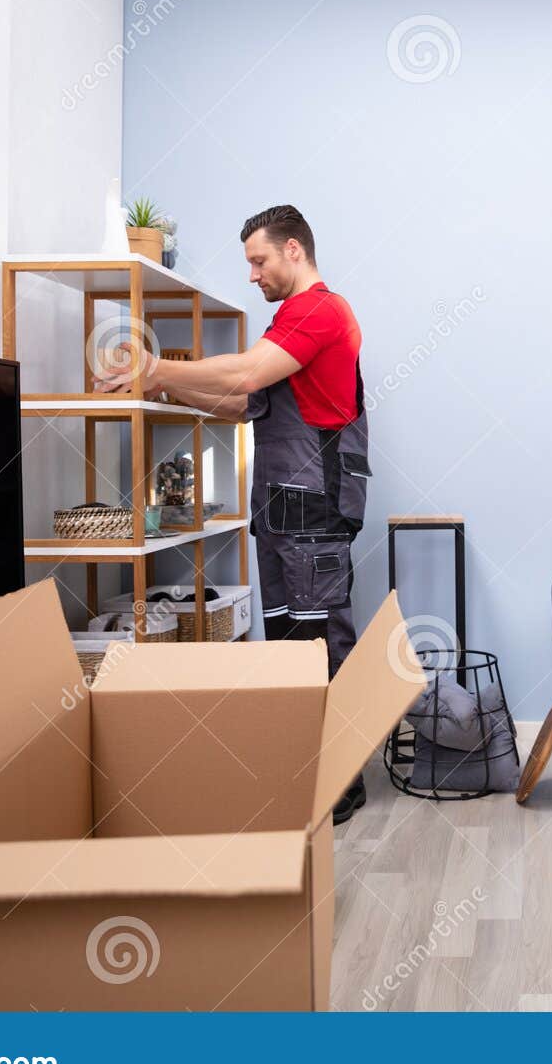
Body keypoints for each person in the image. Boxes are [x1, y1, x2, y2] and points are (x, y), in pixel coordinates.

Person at [96, 204, 373, 824]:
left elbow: (245, 373)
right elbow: (237, 399)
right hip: (279, 514)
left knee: (318, 645)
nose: (252, 274)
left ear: (294, 251)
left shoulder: (320, 311)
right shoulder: (289, 325)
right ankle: (305, 776)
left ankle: (340, 785)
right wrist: (162, 387)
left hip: (312, 515)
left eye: (259, 260)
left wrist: (155, 366)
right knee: (286, 649)